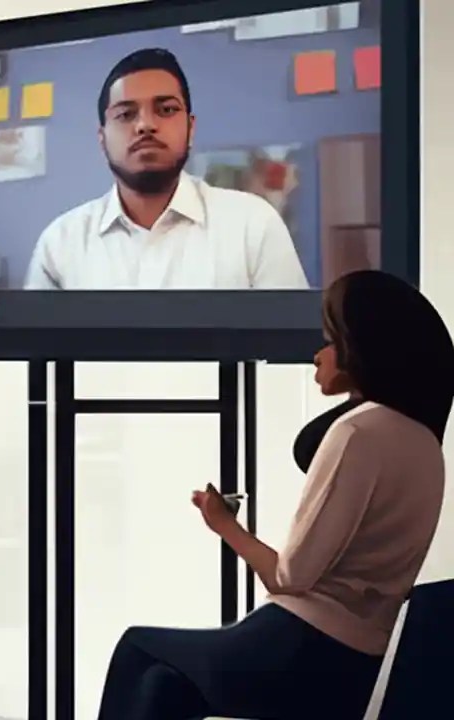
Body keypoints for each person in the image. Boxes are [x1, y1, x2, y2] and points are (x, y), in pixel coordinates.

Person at [96, 269, 454, 720]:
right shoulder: (426, 446)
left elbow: (290, 576)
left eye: (329, 340)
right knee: (164, 686)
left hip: (298, 647)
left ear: (359, 347)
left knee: (138, 648)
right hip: (359, 665)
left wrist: (225, 526)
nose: (317, 355)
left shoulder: (357, 433)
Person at [24, 47, 310, 290]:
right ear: (102, 139)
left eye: (166, 110)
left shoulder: (253, 224)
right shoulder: (60, 243)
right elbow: (32, 353)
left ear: (191, 127)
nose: (145, 125)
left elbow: (291, 352)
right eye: (125, 114)